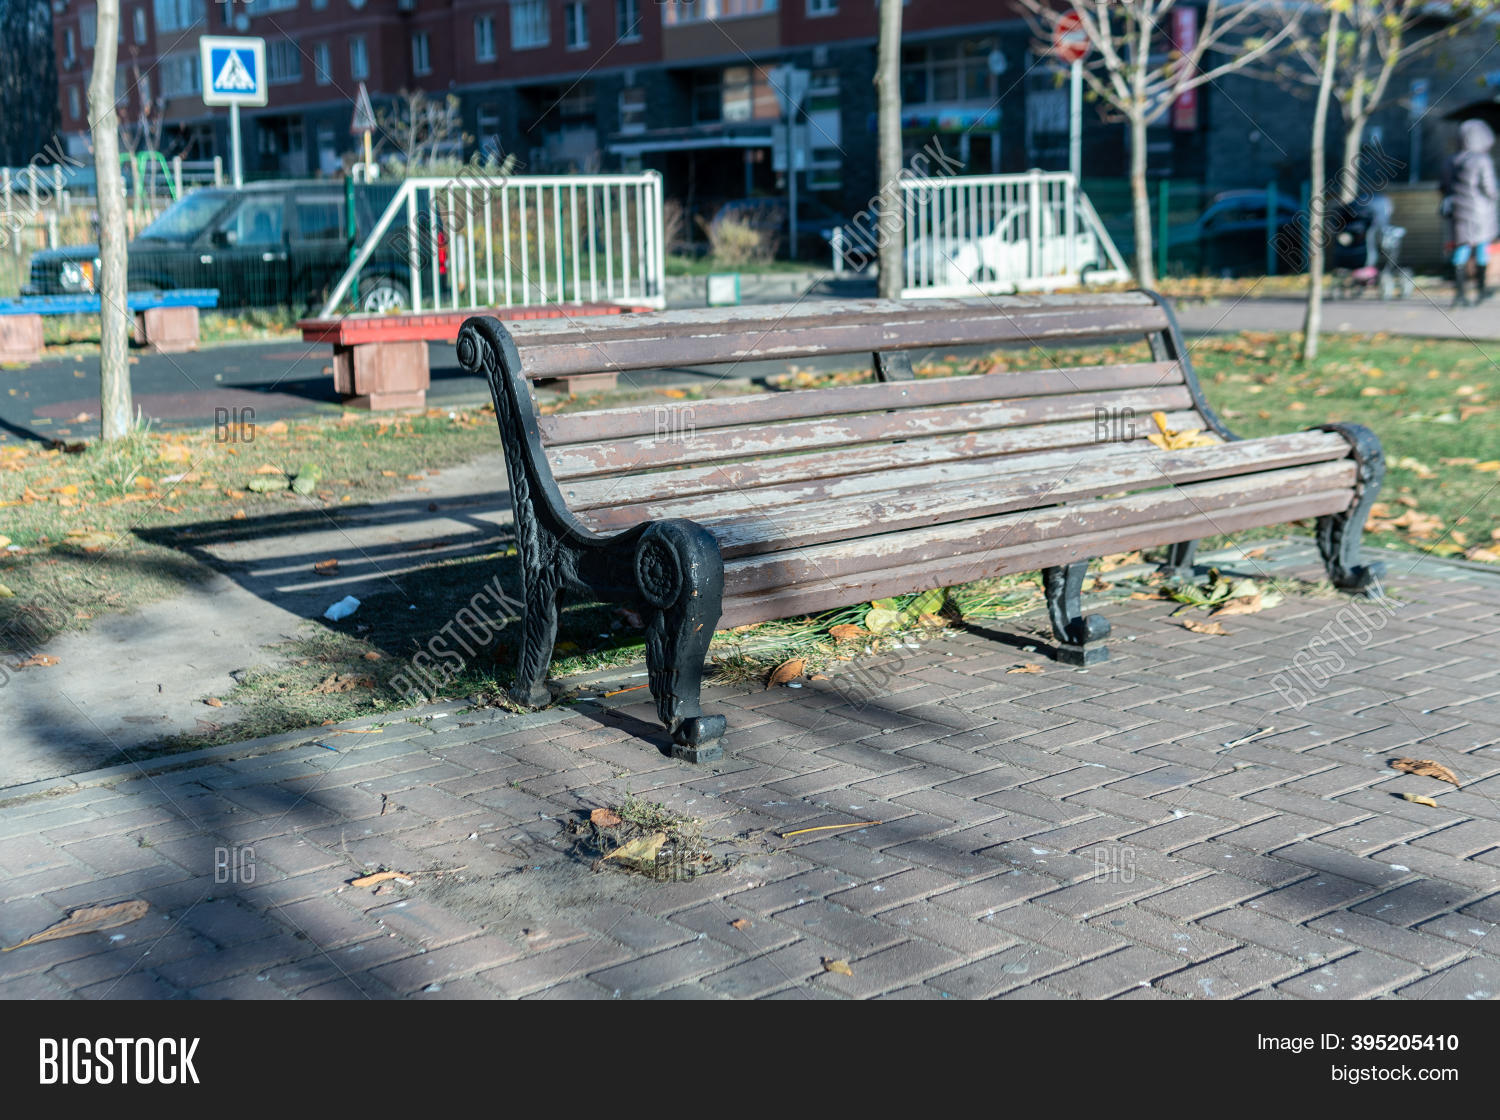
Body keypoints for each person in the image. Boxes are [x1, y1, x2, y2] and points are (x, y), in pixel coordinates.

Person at [1440, 118, 1499, 307]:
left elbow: (1443, 187)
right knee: (1481, 248)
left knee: (1461, 248)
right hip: (1481, 213)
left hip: (1459, 212)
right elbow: (1490, 189)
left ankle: (1460, 294)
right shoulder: (1482, 160)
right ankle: (1481, 292)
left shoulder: (1451, 160)